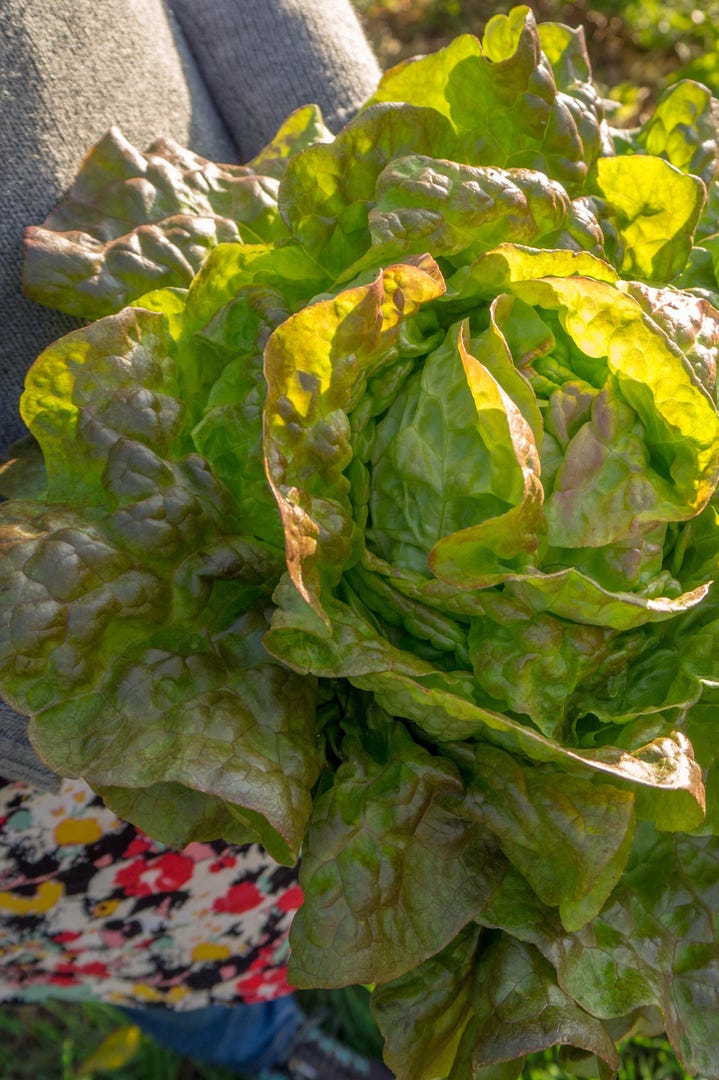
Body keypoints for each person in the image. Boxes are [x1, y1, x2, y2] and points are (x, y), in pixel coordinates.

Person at [0, 3, 391, 1076]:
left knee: (210, 907)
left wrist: (385, 188)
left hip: (268, 543)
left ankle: (253, 1042)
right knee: (78, 918)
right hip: (25, 761)